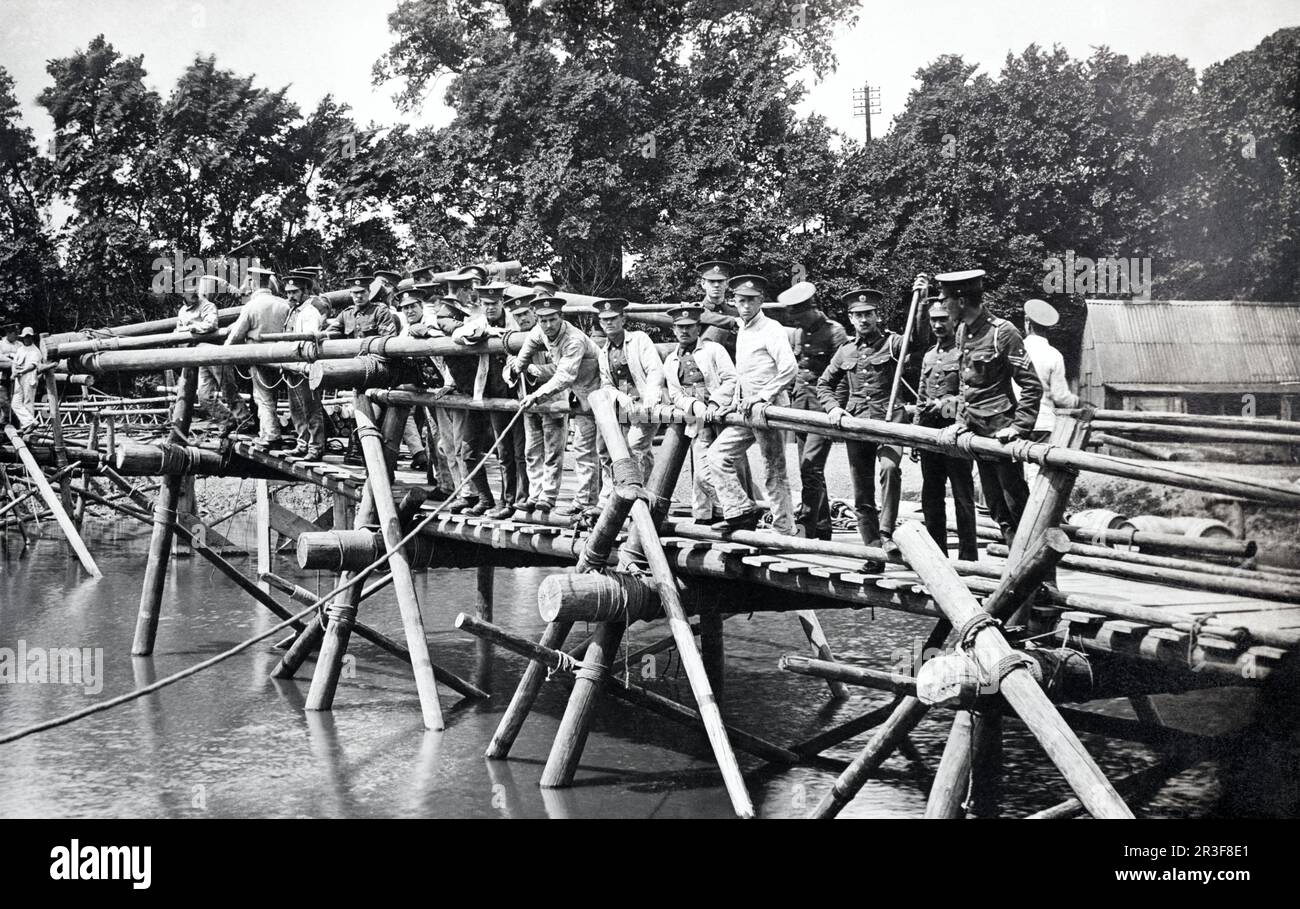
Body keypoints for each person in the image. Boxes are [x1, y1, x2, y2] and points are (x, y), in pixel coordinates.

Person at [937, 269, 1043, 544]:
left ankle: (1037, 577)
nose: (942, 304)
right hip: (978, 434)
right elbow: (965, 385)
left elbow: (1032, 385)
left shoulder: (1003, 332)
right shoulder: (962, 332)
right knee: (997, 508)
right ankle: (1015, 572)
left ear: (961, 301)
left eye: (945, 298)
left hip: (1001, 434)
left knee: (1015, 505)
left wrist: (1018, 427)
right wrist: (960, 422)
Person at [817, 288, 907, 571]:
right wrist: (833, 408)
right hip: (857, 425)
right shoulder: (846, 351)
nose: (864, 319)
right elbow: (824, 384)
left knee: (890, 469)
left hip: (889, 422)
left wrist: (922, 298)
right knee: (862, 492)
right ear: (851, 319)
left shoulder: (894, 344)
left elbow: (919, 340)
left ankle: (886, 532)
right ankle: (872, 553)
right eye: (858, 315)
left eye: (869, 314)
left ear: (877, 316)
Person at [706, 274, 797, 533]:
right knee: (717, 455)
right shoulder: (742, 329)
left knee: (773, 470)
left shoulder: (771, 328)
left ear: (761, 301)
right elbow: (743, 373)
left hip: (770, 409)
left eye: (751, 300)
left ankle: (784, 529)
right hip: (745, 410)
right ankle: (740, 510)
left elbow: (789, 368)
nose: (745, 306)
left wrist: (763, 396)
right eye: (741, 300)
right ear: (734, 301)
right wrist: (733, 403)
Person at [507, 295, 602, 523]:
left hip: (596, 391)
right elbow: (528, 346)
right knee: (578, 449)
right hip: (577, 393)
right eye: (543, 320)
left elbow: (563, 377)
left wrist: (536, 395)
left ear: (561, 317)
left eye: (552, 319)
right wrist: (518, 367)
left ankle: (588, 503)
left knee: (590, 450)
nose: (548, 325)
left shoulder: (574, 339)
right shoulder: (541, 331)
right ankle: (558, 499)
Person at [908, 295, 978, 560]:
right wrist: (915, 435)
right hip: (931, 437)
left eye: (943, 319)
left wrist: (945, 407)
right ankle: (937, 556)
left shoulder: (963, 353)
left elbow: (969, 396)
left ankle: (969, 558)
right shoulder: (928, 356)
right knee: (931, 497)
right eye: (933, 320)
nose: (938, 325)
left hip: (956, 434)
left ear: (953, 320)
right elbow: (921, 399)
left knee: (962, 497)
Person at [452, 281, 523, 517]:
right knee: (468, 451)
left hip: (508, 393)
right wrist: (485, 334)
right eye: (485, 304)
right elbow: (457, 335)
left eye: (494, 303)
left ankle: (508, 502)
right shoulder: (480, 322)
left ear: (502, 302)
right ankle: (485, 498)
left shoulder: (514, 321)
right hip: (482, 392)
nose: (490, 308)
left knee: (506, 452)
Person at [784, 283, 848, 539]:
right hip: (801, 405)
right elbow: (799, 369)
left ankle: (807, 526)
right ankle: (822, 527)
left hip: (823, 407)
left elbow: (844, 376)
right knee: (807, 466)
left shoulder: (835, 332)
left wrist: (836, 409)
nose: (797, 322)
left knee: (811, 467)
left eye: (799, 316)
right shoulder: (800, 333)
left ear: (812, 308)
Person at [663, 303, 737, 522]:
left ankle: (732, 511)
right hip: (698, 421)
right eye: (680, 327)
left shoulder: (713, 350)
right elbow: (675, 394)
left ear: (698, 328)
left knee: (726, 466)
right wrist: (693, 406)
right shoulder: (671, 360)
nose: (685, 331)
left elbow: (731, 379)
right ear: (674, 330)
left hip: (723, 416)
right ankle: (709, 514)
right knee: (703, 473)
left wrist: (715, 403)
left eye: (690, 326)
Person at [594, 298, 664, 512]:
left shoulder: (639, 339)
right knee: (620, 450)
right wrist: (622, 398)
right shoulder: (604, 351)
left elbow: (655, 370)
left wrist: (650, 398)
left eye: (614, 319)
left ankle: (639, 499)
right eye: (605, 320)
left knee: (636, 447)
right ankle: (648, 493)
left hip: (647, 404)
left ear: (623, 319)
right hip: (625, 407)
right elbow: (607, 383)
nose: (609, 323)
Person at [509, 295, 565, 515]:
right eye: (517, 315)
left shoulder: (550, 334)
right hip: (527, 401)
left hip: (552, 401)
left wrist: (534, 371)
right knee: (532, 451)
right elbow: (508, 371)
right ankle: (534, 495)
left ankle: (548, 497)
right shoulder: (514, 338)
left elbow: (562, 368)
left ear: (533, 313)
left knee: (553, 451)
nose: (522, 319)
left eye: (525, 314)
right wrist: (513, 369)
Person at [225, 268, 290, 447]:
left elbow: (237, 334)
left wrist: (224, 352)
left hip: (259, 356)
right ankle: (270, 432)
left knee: (263, 397)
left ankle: (270, 435)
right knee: (277, 397)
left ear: (253, 283)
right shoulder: (284, 304)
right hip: (282, 357)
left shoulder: (251, 306)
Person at [177, 274, 249, 436]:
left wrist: (192, 329)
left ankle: (245, 420)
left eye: (195, 289)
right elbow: (178, 330)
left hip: (215, 353)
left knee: (228, 389)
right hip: (199, 356)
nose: (194, 292)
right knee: (204, 396)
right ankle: (227, 420)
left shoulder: (207, 306)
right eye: (190, 290)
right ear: (182, 293)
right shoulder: (182, 311)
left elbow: (211, 324)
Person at [1020, 298, 1079, 441]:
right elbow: (1060, 397)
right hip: (1043, 424)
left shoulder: (1015, 349)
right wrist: (1077, 401)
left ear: (1027, 322)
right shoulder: (1054, 354)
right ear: (1048, 327)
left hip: (1017, 422)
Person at [281, 274, 326, 459]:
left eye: (295, 292)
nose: (290, 296)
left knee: (311, 407)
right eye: (288, 292)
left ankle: (316, 447)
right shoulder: (293, 311)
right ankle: (302, 443)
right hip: (292, 366)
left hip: (305, 367)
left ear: (305, 291)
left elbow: (309, 338)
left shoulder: (309, 312)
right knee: (296, 408)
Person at [695, 260, 740, 356]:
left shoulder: (736, 312)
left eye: (720, 281)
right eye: (711, 281)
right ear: (703, 284)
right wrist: (733, 321)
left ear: (727, 284)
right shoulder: (696, 311)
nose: (716, 285)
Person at [8, 327, 43, 428]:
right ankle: (30, 422)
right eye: (25, 337)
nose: (27, 339)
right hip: (19, 378)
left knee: (28, 402)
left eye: (29, 337)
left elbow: (33, 365)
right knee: (15, 403)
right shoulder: (20, 349)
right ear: (22, 338)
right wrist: (14, 372)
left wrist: (21, 372)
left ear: (32, 338)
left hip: (29, 377)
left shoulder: (35, 351)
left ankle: (28, 425)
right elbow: (14, 362)